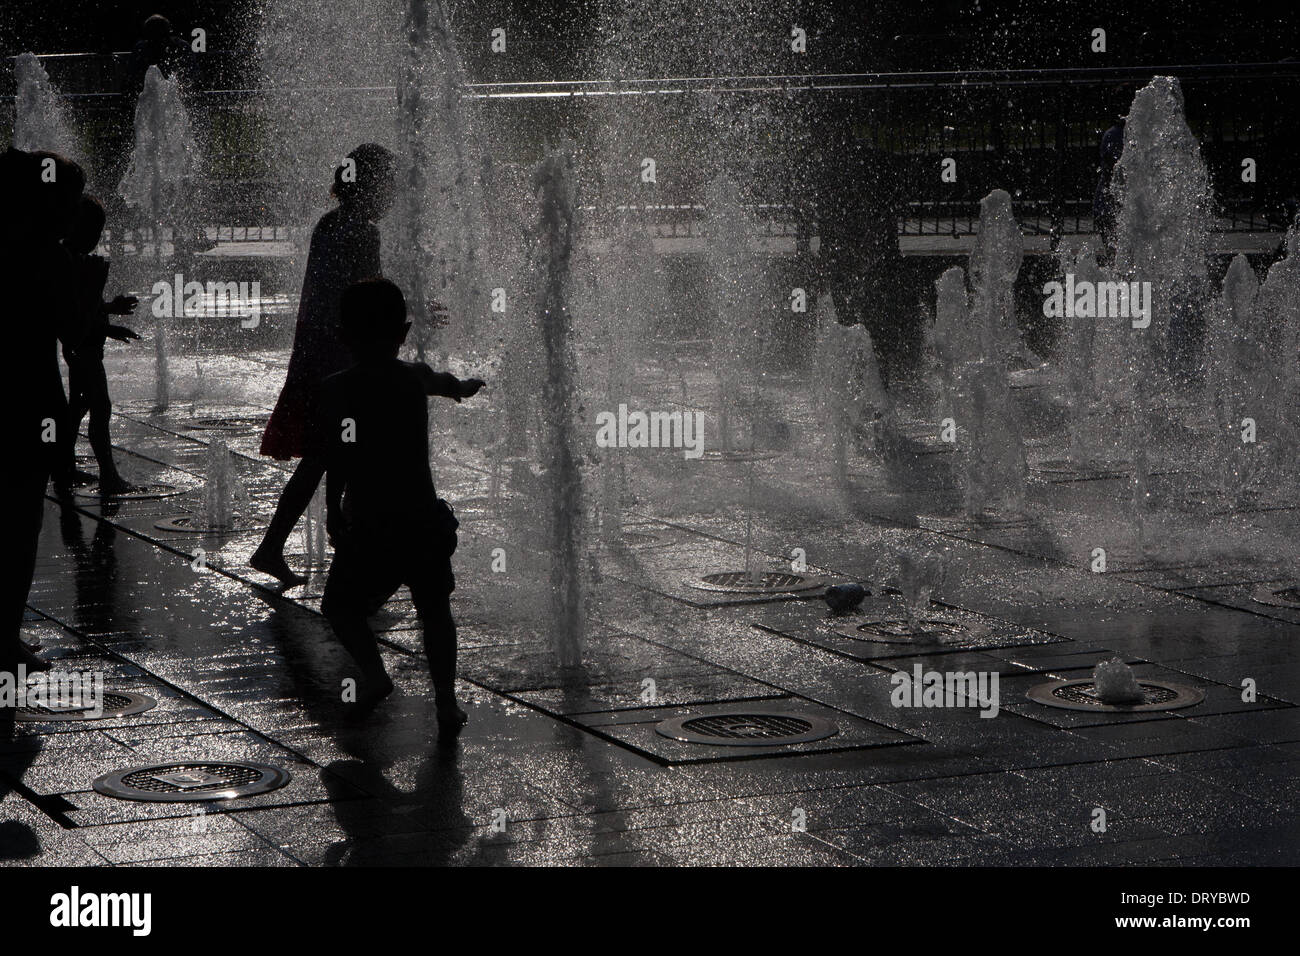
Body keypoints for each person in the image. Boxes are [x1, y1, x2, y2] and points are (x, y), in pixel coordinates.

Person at [315, 278, 484, 731]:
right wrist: (463, 387)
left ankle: (374, 676)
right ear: (404, 332)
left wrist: (332, 509)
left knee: (340, 608)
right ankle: (446, 702)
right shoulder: (412, 378)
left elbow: (339, 456)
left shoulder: (338, 389)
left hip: (372, 523)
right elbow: (445, 383)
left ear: (344, 334)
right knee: (435, 610)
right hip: (422, 520)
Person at [252, 144, 397, 585]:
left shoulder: (329, 223)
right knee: (327, 454)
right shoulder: (362, 231)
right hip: (342, 354)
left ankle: (328, 532)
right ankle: (283, 544)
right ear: (371, 185)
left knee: (333, 450)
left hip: (319, 348)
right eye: (388, 182)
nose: (393, 193)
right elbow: (368, 296)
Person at [1, 148, 87, 679]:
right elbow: (74, 333)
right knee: (18, 521)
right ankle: (4, 637)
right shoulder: (49, 257)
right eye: (70, 202)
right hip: (26, 403)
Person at [55, 196, 140, 495]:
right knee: (100, 407)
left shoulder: (75, 259)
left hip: (87, 344)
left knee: (78, 407)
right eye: (93, 233)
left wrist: (110, 311)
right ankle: (109, 475)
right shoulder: (69, 262)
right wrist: (96, 292)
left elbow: (85, 310)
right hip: (84, 349)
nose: (96, 241)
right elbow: (74, 313)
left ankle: (64, 466)